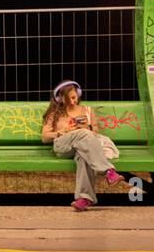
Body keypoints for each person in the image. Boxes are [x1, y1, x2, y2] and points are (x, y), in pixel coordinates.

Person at [41, 80, 123, 211]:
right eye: (69, 99)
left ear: (78, 94)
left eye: (74, 97)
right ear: (60, 99)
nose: (73, 101)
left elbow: (94, 133)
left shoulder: (88, 111)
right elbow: (44, 137)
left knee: (83, 155)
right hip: (62, 146)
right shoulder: (54, 113)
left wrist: (87, 128)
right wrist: (60, 132)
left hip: (83, 147)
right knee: (84, 135)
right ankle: (108, 171)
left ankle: (84, 199)